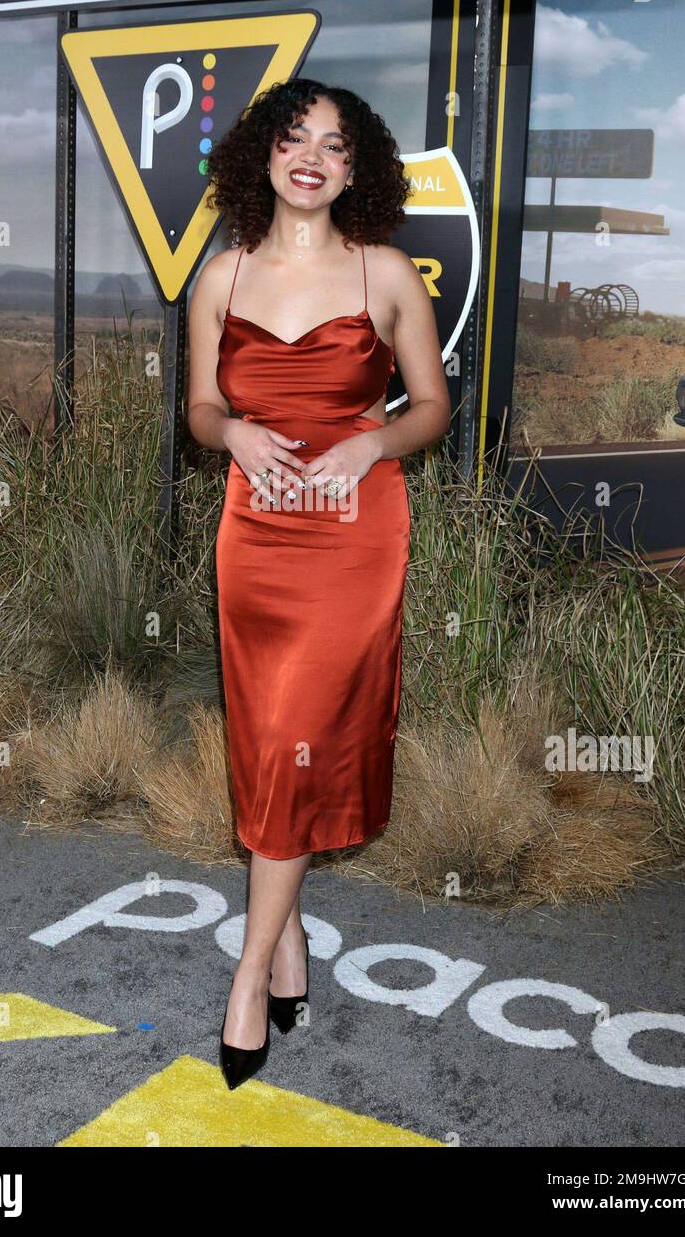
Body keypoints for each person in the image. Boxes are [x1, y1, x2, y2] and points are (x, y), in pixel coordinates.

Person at [187, 78, 451, 1089]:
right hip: (253, 536)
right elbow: (199, 411)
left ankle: (248, 974)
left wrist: (371, 442)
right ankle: (290, 937)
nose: (310, 157)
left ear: (358, 168)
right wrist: (234, 430)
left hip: (350, 536)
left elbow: (429, 403)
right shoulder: (224, 274)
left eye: (333, 145)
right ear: (262, 152)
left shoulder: (384, 272)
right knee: (266, 746)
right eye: (293, 137)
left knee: (298, 735)